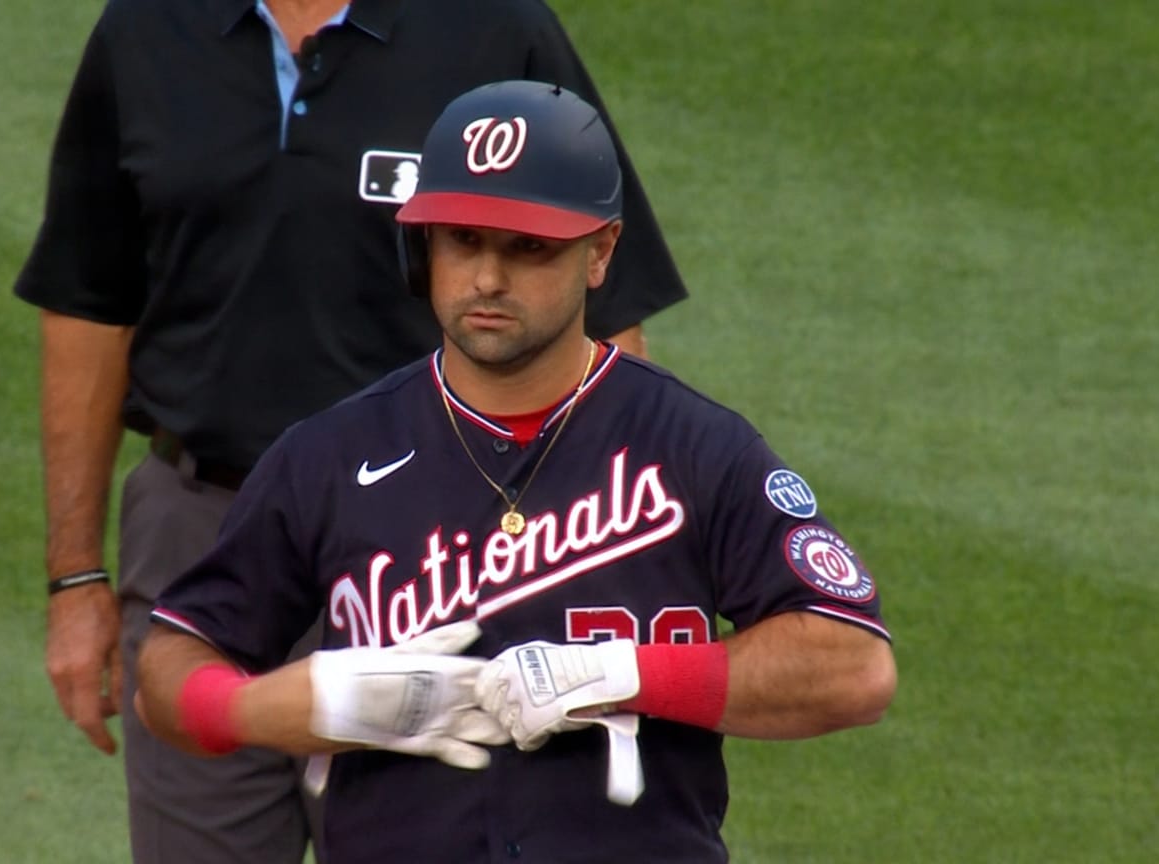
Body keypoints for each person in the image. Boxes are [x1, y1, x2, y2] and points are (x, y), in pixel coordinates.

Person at [136, 80, 897, 864]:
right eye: (462, 241)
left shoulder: (696, 447)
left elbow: (853, 665)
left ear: (600, 251)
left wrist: (627, 673)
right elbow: (167, 669)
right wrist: (271, 708)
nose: (488, 279)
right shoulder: (327, 456)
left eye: (527, 246)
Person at [12, 1, 687, 861]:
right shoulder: (148, 27)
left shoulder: (489, 26)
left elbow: (605, 312)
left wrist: (591, 565)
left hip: (438, 554)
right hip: (203, 537)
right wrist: (76, 578)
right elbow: (87, 304)